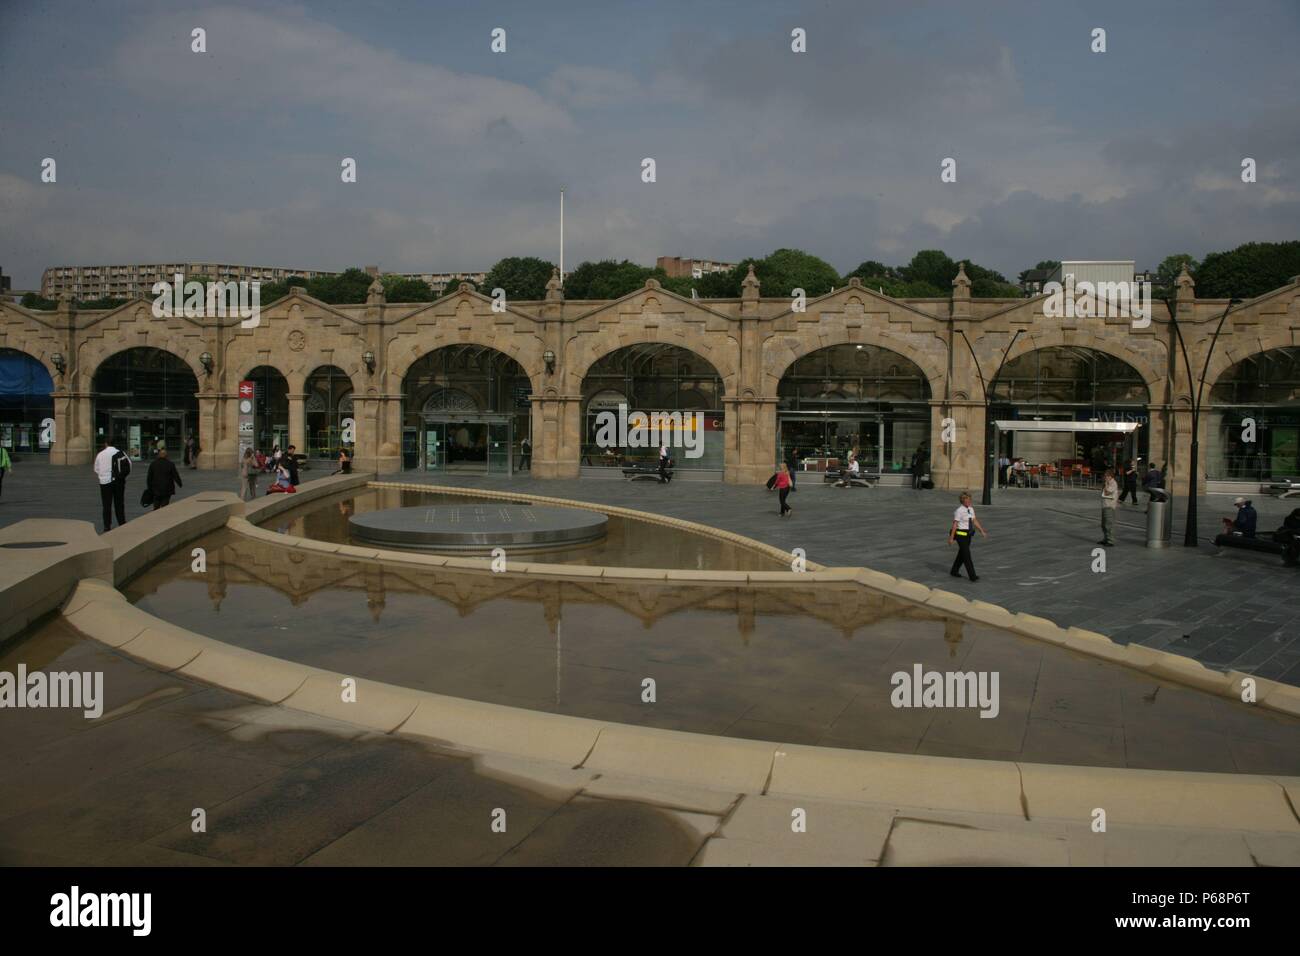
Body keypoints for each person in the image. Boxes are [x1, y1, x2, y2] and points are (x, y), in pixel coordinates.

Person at [93, 436, 130, 532]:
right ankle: (121, 522)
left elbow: (96, 469)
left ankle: (107, 526)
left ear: (106, 443)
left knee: (106, 505)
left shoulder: (100, 454)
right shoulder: (120, 453)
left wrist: (103, 475)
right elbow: (129, 464)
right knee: (119, 503)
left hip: (105, 482)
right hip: (118, 482)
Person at [948, 492, 987, 581]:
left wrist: (981, 530)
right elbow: (955, 524)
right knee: (966, 555)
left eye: (970, 499)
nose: (969, 501)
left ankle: (954, 571)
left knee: (962, 554)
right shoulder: (959, 511)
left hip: (968, 535)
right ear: (963, 501)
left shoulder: (971, 509)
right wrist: (951, 538)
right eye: (967, 500)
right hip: (960, 534)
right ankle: (972, 576)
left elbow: (974, 520)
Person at [1098, 467, 1119, 546]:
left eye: (1106, 476)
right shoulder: (1107, 483)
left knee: (1108, 524)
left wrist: (1106, 484)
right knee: (1104, 524)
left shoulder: (1113, 483)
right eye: (1105, 476)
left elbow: (1107, 492)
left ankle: (1110, 541)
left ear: (1110, 476)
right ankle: (1105, 539)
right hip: (1104, 505)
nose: (1105, 477)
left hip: (1109, 506)